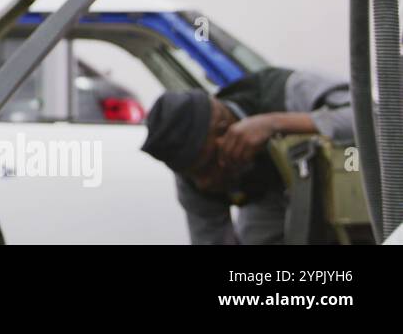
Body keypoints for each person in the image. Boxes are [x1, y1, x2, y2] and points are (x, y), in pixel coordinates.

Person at [140, 66, 354, 245]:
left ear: (225, 129)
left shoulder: (289, 91)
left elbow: (373, 118)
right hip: (272, 201)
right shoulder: (192, 173)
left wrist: (276, 123)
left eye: (207, 167)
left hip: (354, 192)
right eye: (193, 175)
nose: (203, 184)